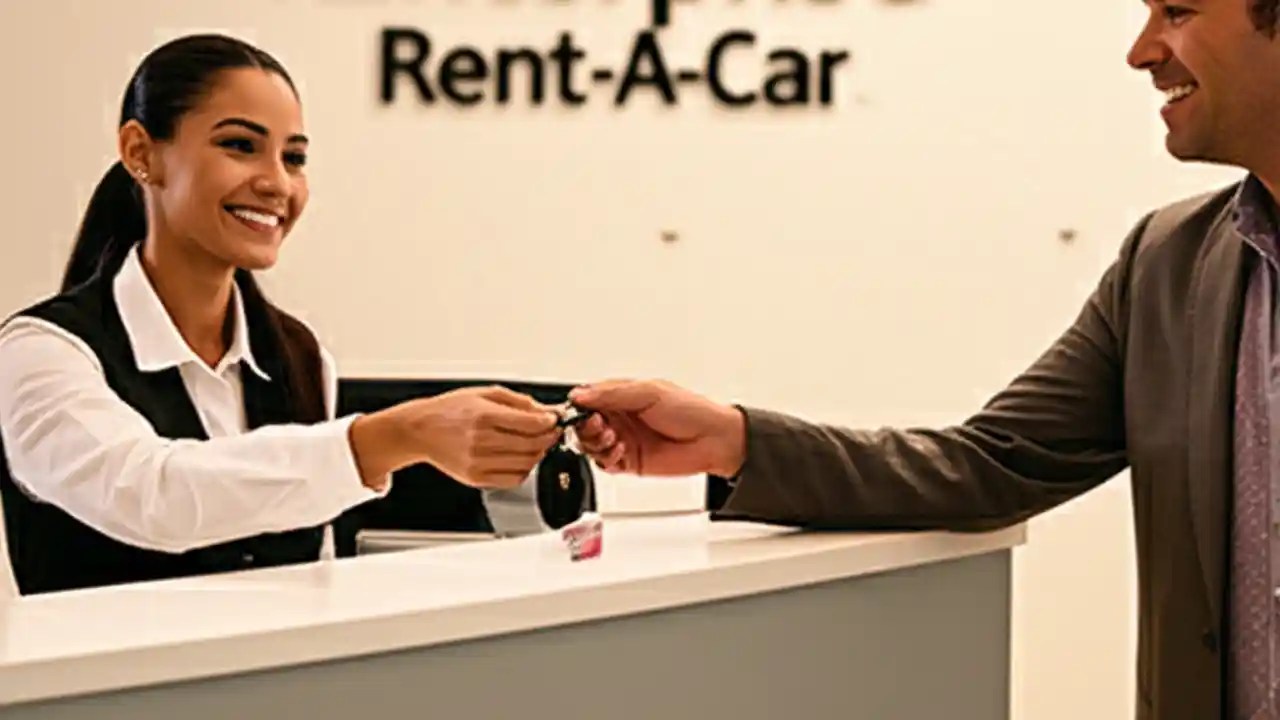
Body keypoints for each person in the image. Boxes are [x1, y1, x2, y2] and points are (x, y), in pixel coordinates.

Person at [569, 1, 1280, 718]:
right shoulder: (1168, 268)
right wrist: (735, 441)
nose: (1141, 51)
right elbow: (985, 466)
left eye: (1179, 12)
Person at [0, 34, 563, 596]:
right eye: (241, 146)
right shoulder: (40, 353)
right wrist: (394, 436)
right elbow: (156, 496)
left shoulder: (298, 355)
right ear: (141, 153)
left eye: (293, 157)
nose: (276, 183)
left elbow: (311, 581)